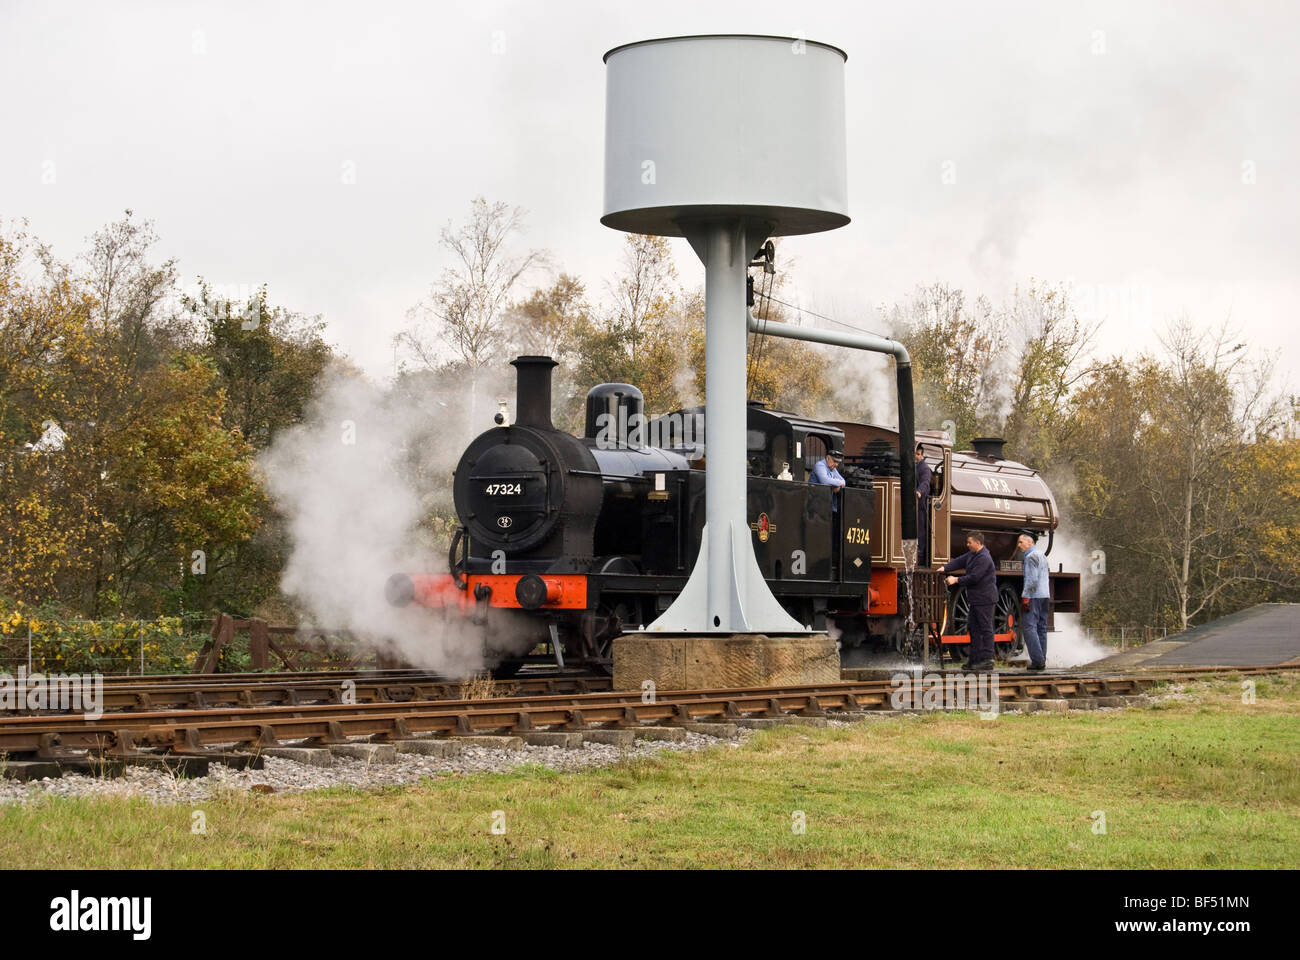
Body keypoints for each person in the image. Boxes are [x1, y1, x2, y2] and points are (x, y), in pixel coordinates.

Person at [941, 531, 997, 671]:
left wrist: (956, 580)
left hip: (984, 598)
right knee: (974, 628)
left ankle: (987, 659)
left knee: (985, 628)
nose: (967, 545)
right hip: (976, 599)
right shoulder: (973, 554)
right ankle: (975, 659)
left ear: (978, 543)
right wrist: (945, 568)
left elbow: (974, 577)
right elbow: (960, 561)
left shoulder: (984, 558)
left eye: (969, 542)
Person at [1017, 532, 1050, 670]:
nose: (1019, 546)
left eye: (1021, 542)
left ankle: (1037, 660)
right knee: (1041, 628)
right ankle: (1041, 658)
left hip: (1034, 596)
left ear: (1030, 542)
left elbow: (1032, 579)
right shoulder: (1042, 555)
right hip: (1045, 595)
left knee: (1029, 628)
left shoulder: (1030, 557)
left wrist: (1026, 597)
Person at [914, 445, 932, 565]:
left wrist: (919, 491)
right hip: (910, 504)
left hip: (919, 505)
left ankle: (919, 558)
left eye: (917, 454)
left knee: (920, 531)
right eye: (914, 454)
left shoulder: (925, 469)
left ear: (922, 455)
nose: (915, 456)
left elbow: (926, 482)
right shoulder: (911, 466)